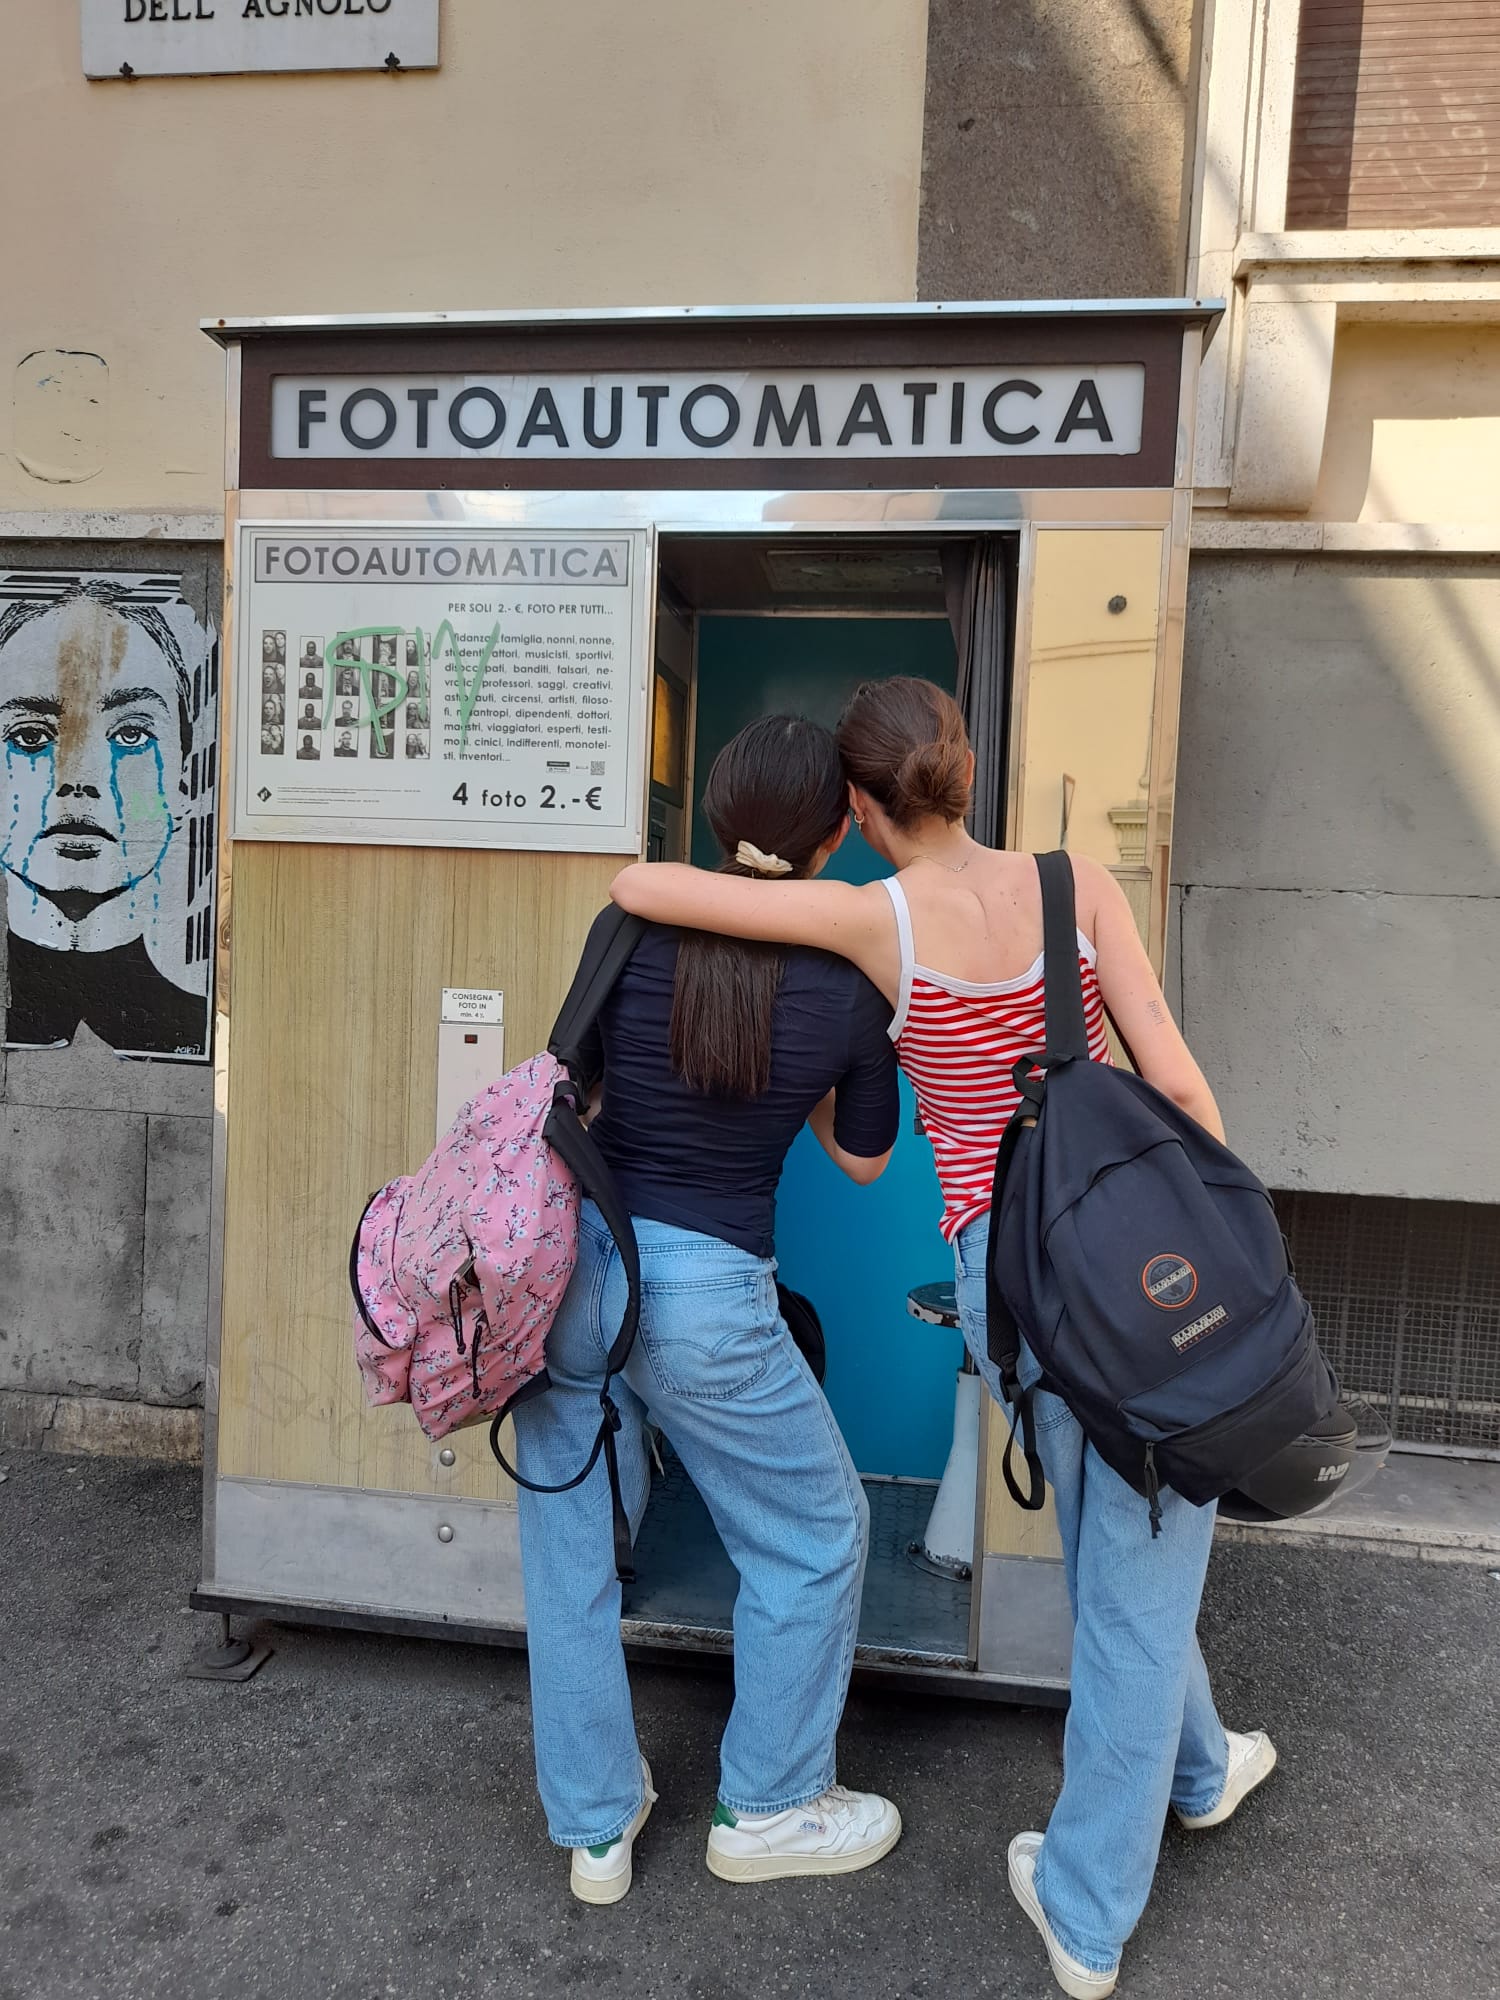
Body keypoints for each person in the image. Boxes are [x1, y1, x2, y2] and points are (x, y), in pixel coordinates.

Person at [611, 678, 1275, 1998]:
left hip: (1005, 1274)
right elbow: (1179, 1081)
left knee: (1116, 1535)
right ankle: (1087, 1917)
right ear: (969, 776)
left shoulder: (871, 920)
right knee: (1138, 1559)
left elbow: (644, 890)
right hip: (1125, 1252)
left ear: (861, 807)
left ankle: (1201, 1767)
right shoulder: (1077, 885)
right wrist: (1232, 1254)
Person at [514, 715, 904, 1908]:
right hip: (703, 1298)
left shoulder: (630, 919)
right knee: (817, 1532)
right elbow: (865, 1160)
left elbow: (566, 1071)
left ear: (717, 808)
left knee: (568, 1550)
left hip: (569, 1265)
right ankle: (773, 1802)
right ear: (838, 829)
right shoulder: (844, 980)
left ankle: (595, 1827)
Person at [0, 576, 208, 1057]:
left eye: (132, 735)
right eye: (31, 737)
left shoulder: (195, 1034)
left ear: (183, 779)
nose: (79, 777)